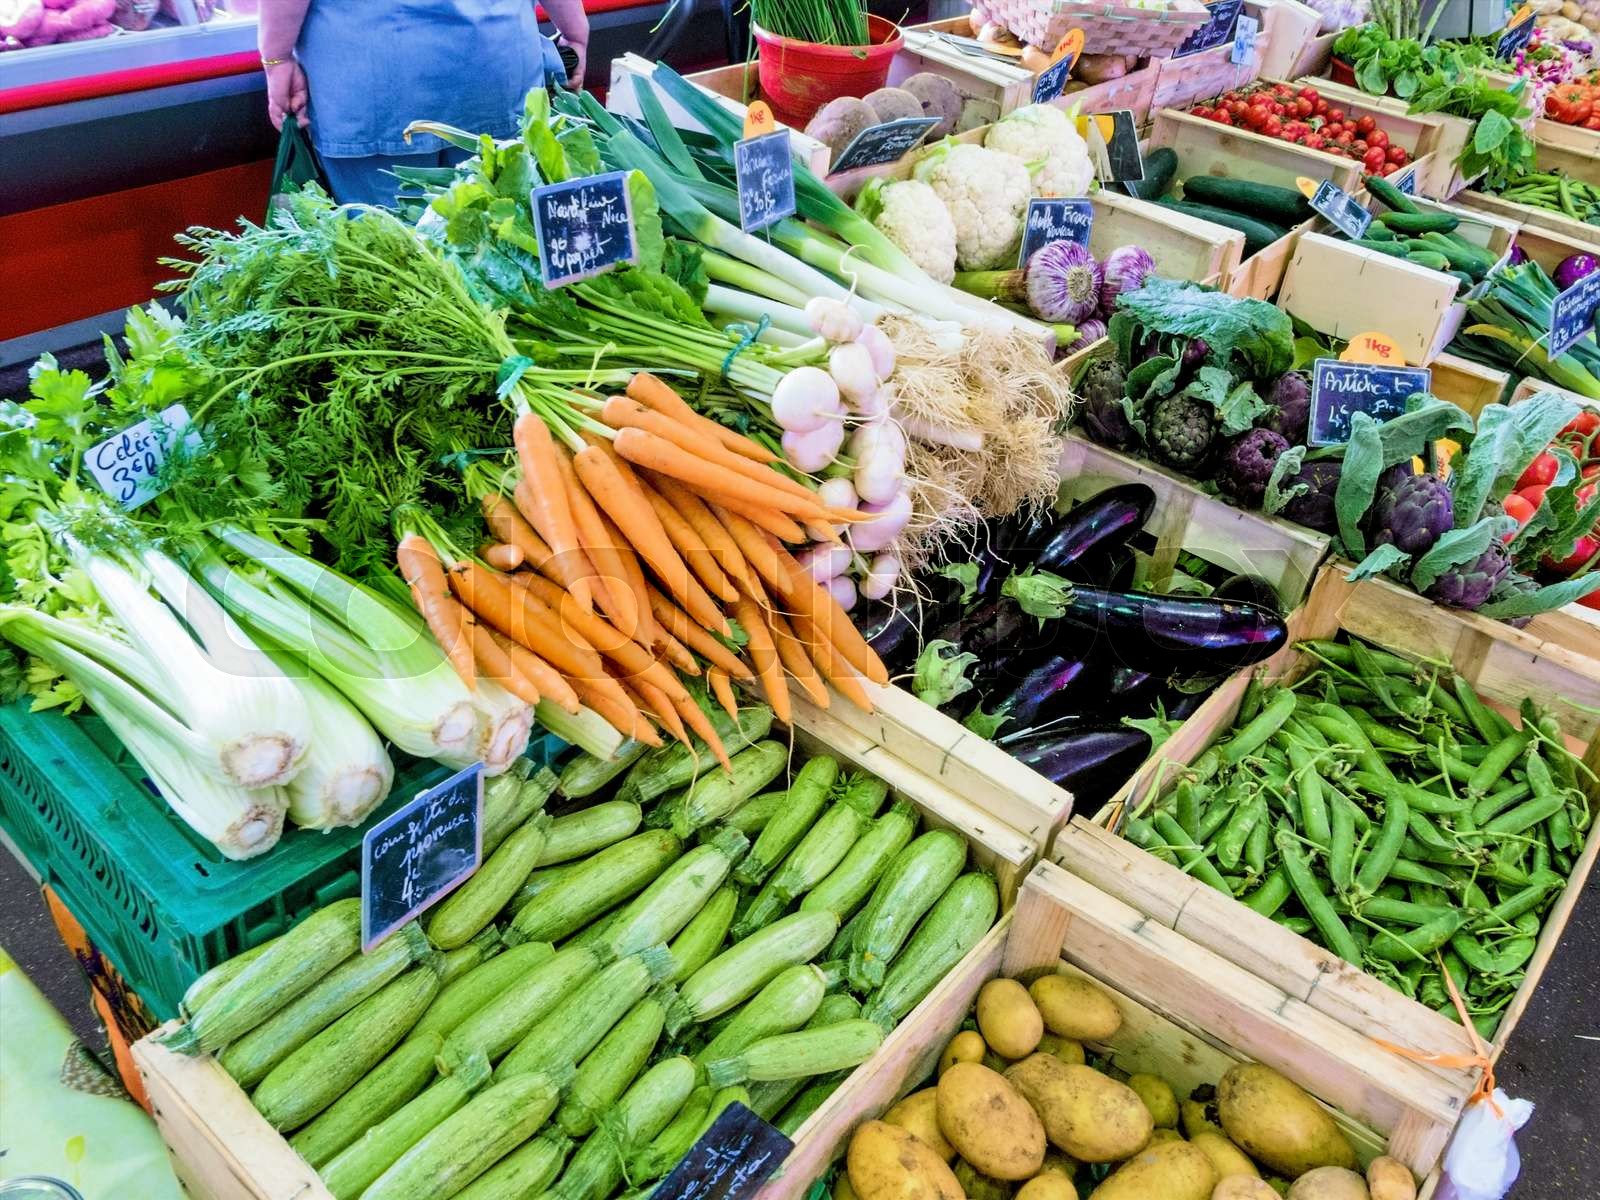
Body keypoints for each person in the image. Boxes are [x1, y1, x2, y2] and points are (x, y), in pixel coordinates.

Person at [258, 0, 590, 206]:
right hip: (495, 67)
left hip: (375, 85)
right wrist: (574, 32)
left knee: (391, 256)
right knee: (495, 242)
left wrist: (276, 60)